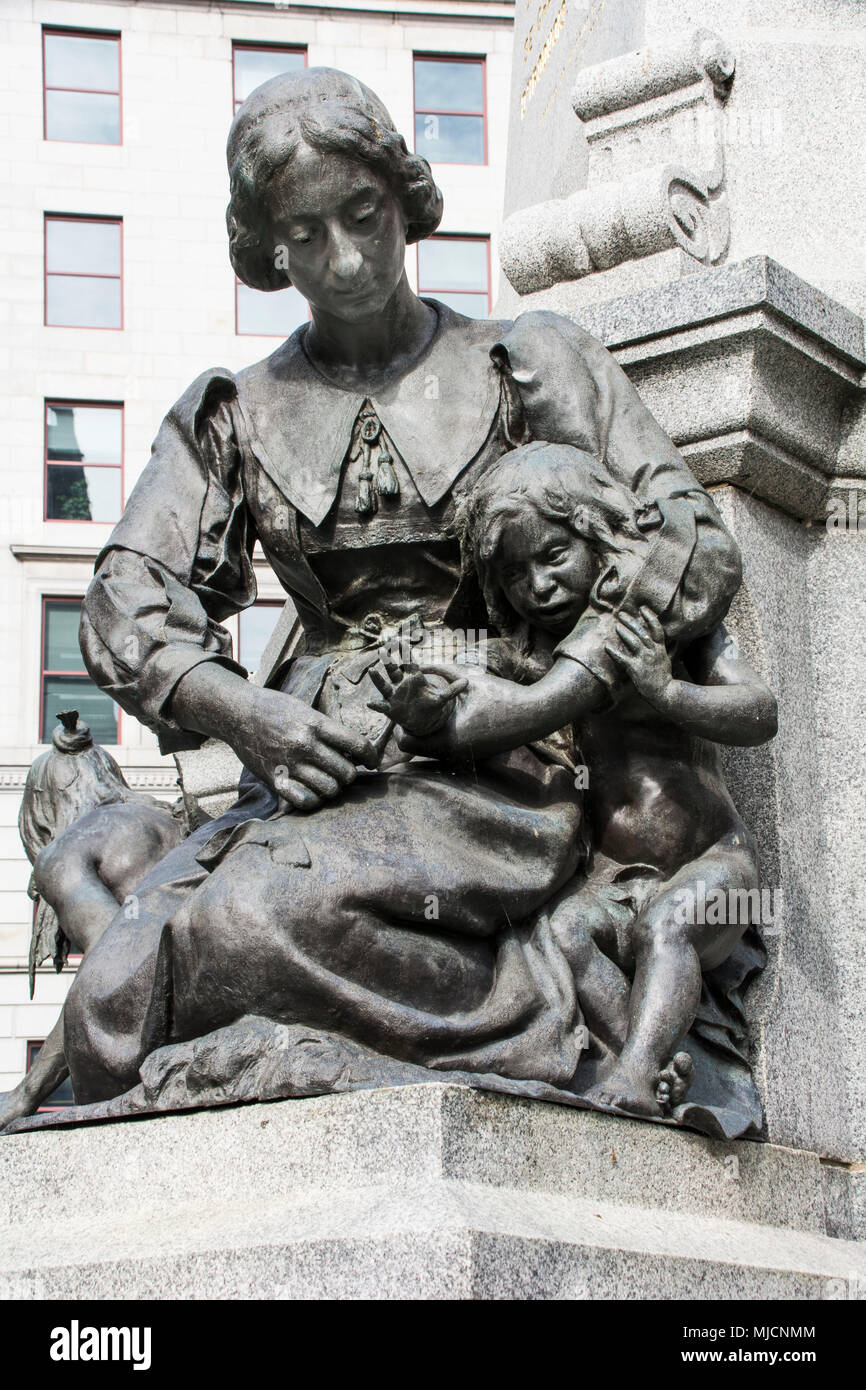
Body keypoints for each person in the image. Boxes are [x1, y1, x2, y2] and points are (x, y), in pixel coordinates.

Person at [57, 68, 745, 1116]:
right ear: (264, 247)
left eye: (362, 215)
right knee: (114, 989)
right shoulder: (234, 412)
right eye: (302, 235)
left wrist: (556, 680)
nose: (341, 260)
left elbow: (686, 541)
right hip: (308, 771)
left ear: (403, 195)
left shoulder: (525, 361)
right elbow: (125, 596)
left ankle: (545, 998)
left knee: (239, 928)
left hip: (490, 761)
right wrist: (246, 713)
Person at [376, 440, 777, 1119]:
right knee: (564, 934)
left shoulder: (671, 630)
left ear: (601, 536)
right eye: (512, 575)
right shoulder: (535, 657)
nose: (538, 585)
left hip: (715, 865)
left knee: (673, 925)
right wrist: (422, 709)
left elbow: (758, 711)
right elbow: (470, 696)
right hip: (614, 875)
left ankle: (639, 1070)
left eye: (554, 555)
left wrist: (669, 692)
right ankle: (648, 1066)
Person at [0, 712, 185, 1129]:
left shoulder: (64, 855)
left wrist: (27, 1093)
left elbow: (107, 976)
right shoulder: (162, 818)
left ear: (40, 816)